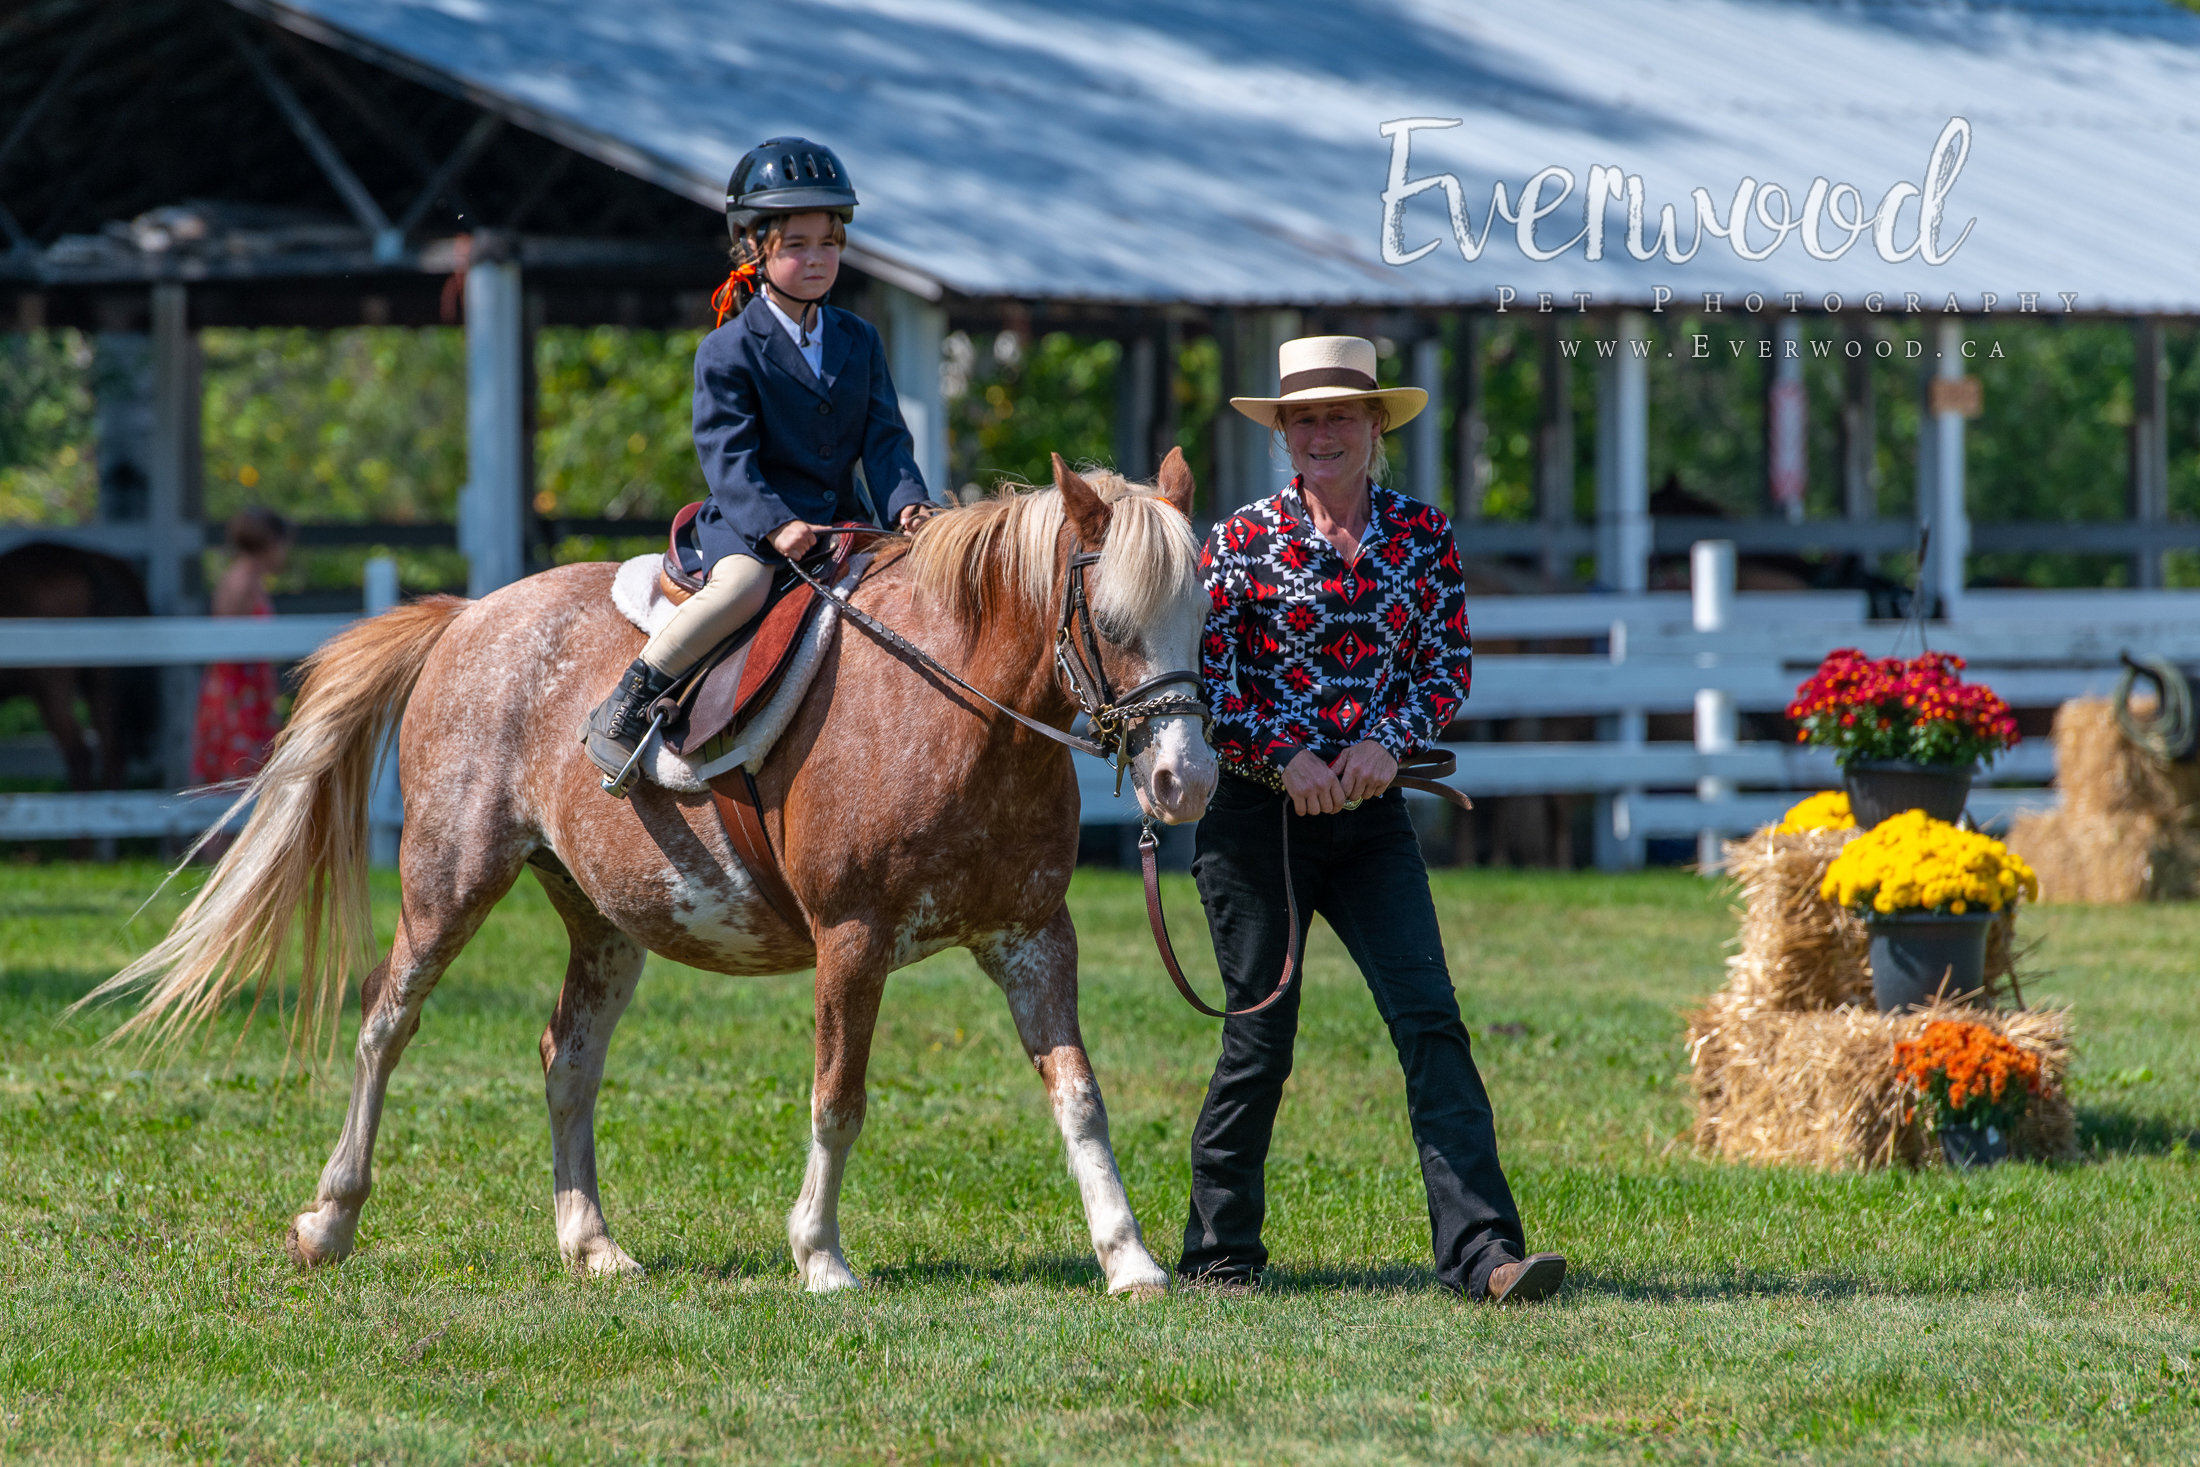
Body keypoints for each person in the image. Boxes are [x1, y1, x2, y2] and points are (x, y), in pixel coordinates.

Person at [1178, 335, 1565, 1304]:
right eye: (1304, 418)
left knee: (1430, 1020)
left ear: (1374, 425)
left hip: (1372, 820)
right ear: (1283, 433)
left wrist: (1386, 742)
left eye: (1340, 416)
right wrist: (1285, 755)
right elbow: (1210, 681)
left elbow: (1446, 665)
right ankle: (1220, 1256)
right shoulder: (1238, 541)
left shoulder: (1422, 537)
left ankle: (1487, 1255)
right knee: (1260, 1035)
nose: (1322, 433)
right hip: (1256, 823)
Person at [581, 137, 935, 786]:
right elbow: (728, 457)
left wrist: (908, 504)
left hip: (843, 522)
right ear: (753, 248)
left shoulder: (859, 339)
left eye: (828, 243)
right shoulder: (727, 350)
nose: (817, 258)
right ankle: (631, 697)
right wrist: (775, 525)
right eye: (797, 245)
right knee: (743, 589)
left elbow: (885, 441)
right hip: (751, 528)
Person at [191, 508, 291, 787]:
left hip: (246, 691)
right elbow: (227, 640)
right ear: (271, 543)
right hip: (238, 693)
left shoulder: (249, 580)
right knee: (237, 778)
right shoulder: (242, 582)